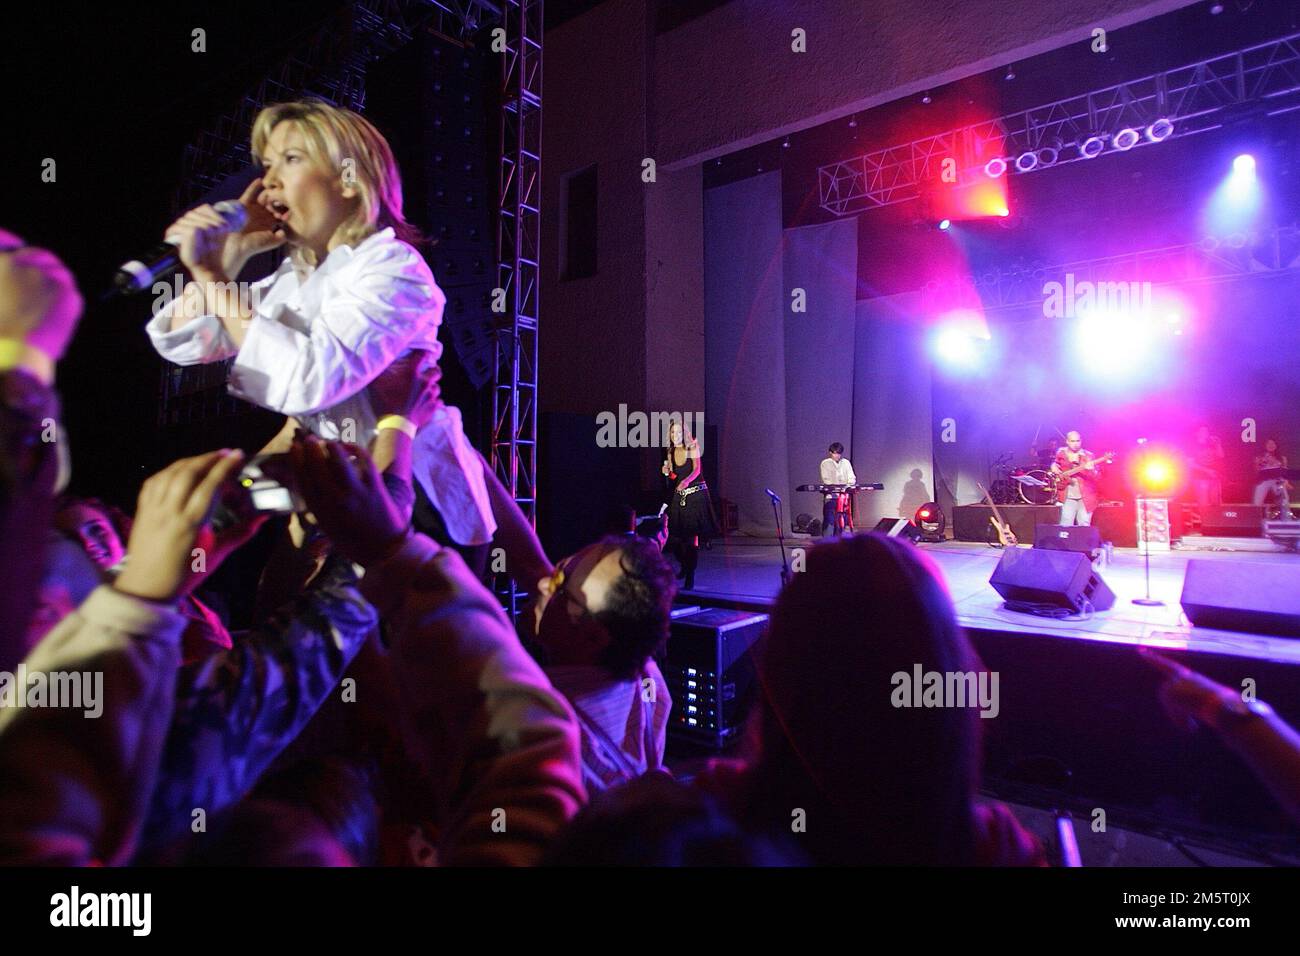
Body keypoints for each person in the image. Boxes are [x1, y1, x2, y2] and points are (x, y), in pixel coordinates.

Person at [144, 98, 495, 576]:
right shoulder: (296, 280)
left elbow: (311, 378)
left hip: (416, 506)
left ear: (350, 180)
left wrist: (212, 278)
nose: (268, 180)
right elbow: (180, 342)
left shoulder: (393, 270)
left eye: (290, 160)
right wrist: (230, 258)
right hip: (342, 498)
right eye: (266, 164)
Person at [661, 420, 718, 589]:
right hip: (680, 495)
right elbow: (672, 477)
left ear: (684, 433)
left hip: (696, 495)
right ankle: (685, 565)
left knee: (692, 537)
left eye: (678, 432)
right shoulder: (670, 451)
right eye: (672, 433)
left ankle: (690, 576)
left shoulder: (692, 446)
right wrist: (667, 473)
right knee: (675, 537)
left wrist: (685, 481)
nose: (675, 436)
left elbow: (697, 470)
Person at [1051, 431, 1101, 527]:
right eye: (1073, 441)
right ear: (1067, 441)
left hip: (1086, 497)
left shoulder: (1088, 455)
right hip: (1067, 495)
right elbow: (1056, 463)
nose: (1075, 444)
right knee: (1065, 525)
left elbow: (1097, 477)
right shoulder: (1061, 452)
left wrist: (1092, 470)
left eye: (1078, 441)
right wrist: (1053, 466)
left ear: (1081, 441)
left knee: (1084, 525)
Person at [819, 441, 857, 536]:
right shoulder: (825, 463)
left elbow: (852, 477)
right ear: (830, 453)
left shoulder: (846, 462)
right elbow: (826, 479)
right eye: (835, 453)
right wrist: (838, 487)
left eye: (839, 453)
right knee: (830, 520)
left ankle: (839, 543)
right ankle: (827, 543)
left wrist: (848, 485)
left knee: (842, 521)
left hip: (843, 497)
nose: (837, 456)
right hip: (831, 496)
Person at [1252, 438, 1291, 518]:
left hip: (1277, 481)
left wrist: (1286, 482)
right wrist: (1259, 463)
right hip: (1264, 481)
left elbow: (1285, 472)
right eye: (1268, 444)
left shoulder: (1282, 458)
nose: (1271, 446)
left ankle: (1287, 519)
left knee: (1284, 499)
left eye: (1273, 444)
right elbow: (1256, 471)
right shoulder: (1260, 457)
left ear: (1276, 446)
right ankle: (1254, 520)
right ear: (1265, 446)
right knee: (1257, 502)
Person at [1190, 424, 1225, 510]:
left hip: (1214, 477)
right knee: (1203, 505)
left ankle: (1216, 521)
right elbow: (1190, 464)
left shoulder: (1212, 444)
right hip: (1200, 477)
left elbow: (1221, 456)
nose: (1206, 433)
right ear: (1197, 433)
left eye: (1207, 431)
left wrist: (1218, 444)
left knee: (1216, 503)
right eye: (1203, 431)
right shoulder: (1191, 445)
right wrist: (1207, 471)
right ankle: (1205, 522)